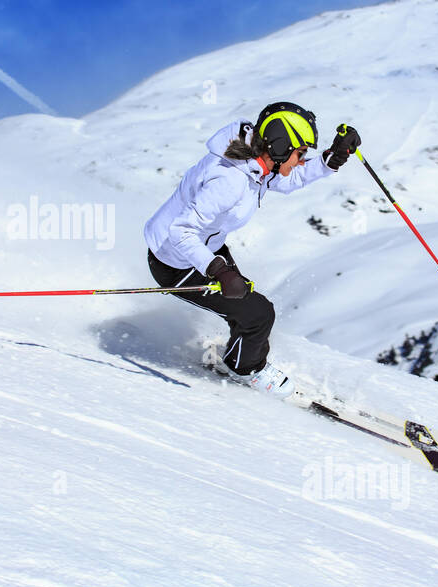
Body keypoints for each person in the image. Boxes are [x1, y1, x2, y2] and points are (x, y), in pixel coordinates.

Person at [143, 102, 360, 397]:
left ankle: (238, 354)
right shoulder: (229, 180)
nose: (300, 161)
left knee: (246, 308)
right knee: (259, 314)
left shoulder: (254, 161)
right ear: (282, 146)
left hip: (207, 249)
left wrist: (329, 161)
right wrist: (218, 270)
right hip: (177, 263)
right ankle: (245, 369)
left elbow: (286, 179)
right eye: (301, 154)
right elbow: (180, 231)